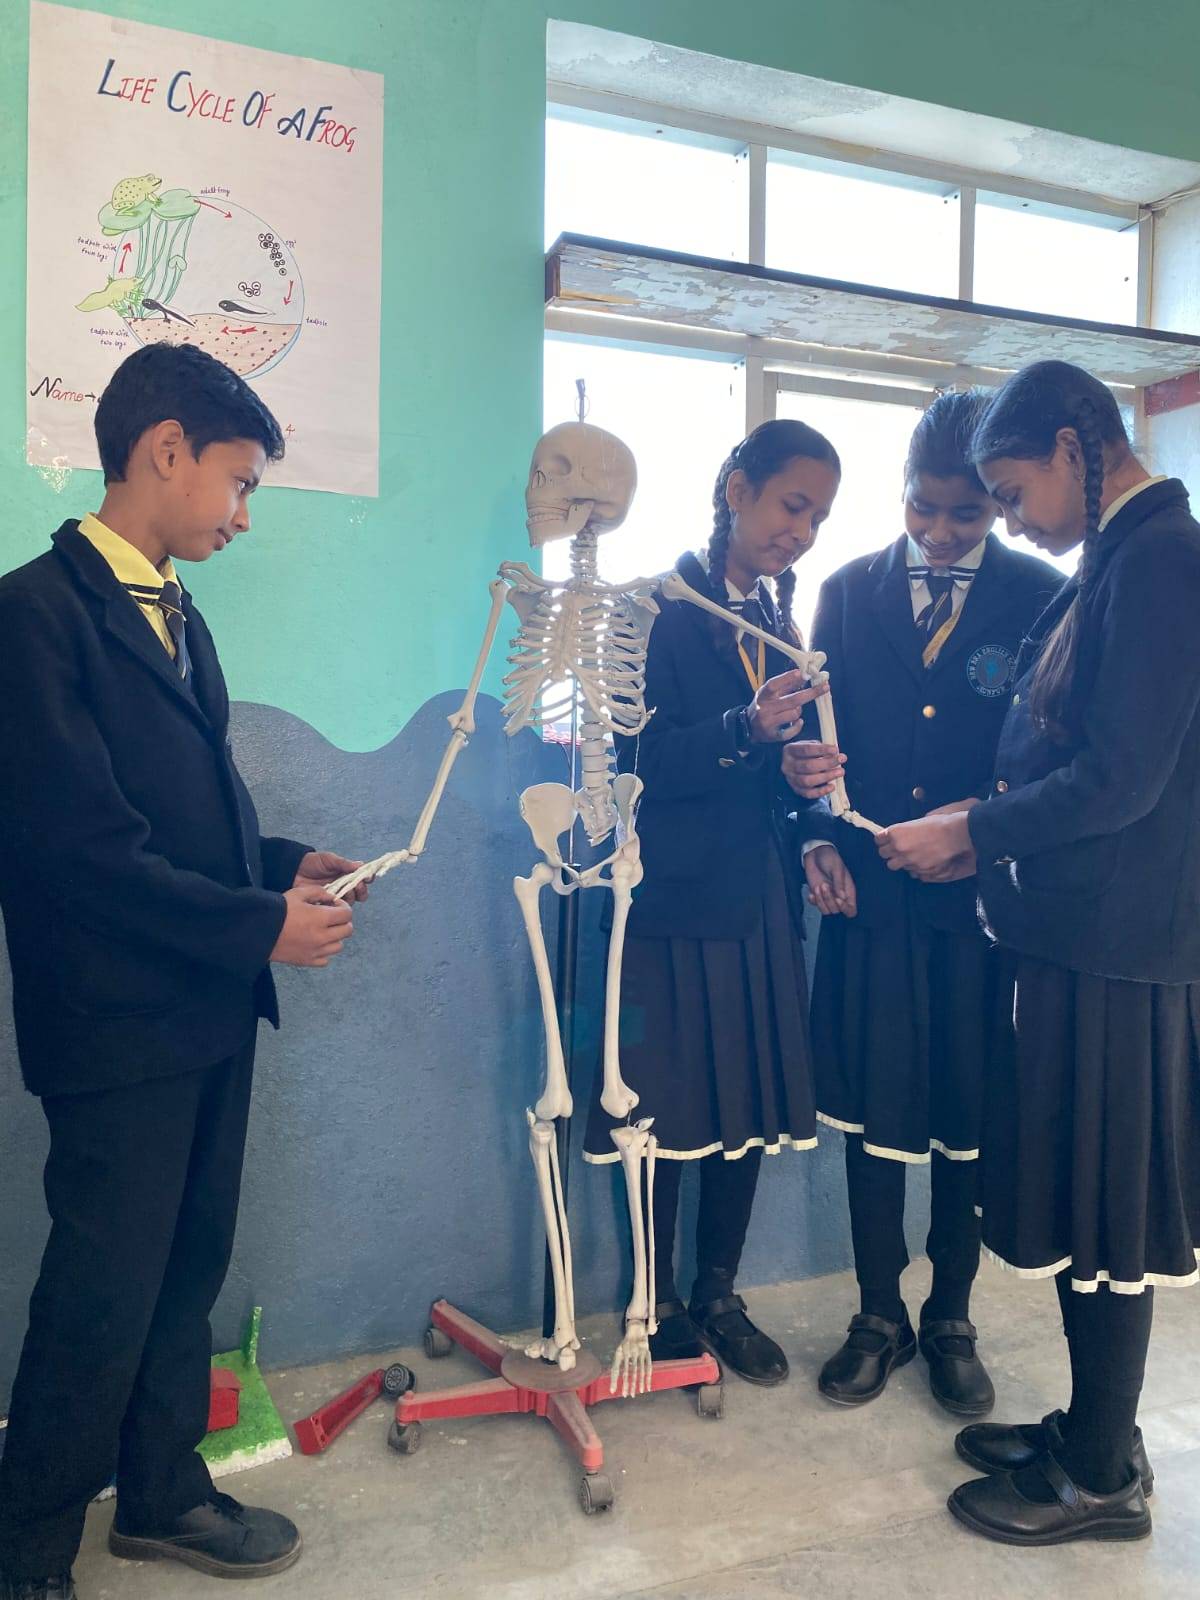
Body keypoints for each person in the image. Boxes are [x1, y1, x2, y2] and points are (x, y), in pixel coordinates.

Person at [0, 344, 369, 1600]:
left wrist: (278, 864)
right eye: (240, 480)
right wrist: (260, 925)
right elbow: (79, 855)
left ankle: (160, 1491)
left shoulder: (174, 608)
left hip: (206, 1007)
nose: (244, 513)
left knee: (183, 1270)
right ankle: (27, 1548)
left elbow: (177, 818)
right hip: (115, 1026)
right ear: (166, 451)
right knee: (99, 1291)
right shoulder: (33, 617)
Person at [879, 358, 1200, 1545]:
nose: (1009, 521)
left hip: (1123, 951)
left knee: (1108, 1215)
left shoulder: (1163, 560)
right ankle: (1086, 1428)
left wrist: (974, 828)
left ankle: (1102, 1475)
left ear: (1077, 447)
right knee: (1077, 1193)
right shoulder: (1119, 557)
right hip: (1079, 937)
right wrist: (985, 834)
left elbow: (1121, 779)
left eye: (1012, 494)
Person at [785, 393, 1061, 1417]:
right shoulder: (845, 592)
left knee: (964, 1119)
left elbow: (1051, 759)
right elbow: (811, 751)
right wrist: (813, 831)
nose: (941, 532)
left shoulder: (1042, 596)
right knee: (873, 1113)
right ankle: (876, 1314)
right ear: (901, 491)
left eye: (968, 513)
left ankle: (950, 1315)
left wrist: (982, 837)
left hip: (979, 915)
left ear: (997, 505)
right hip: (870, 904)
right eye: (922, 507)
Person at [583, 419, 840, 1384]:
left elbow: (771, 763)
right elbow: (629, 760)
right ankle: (654, 1304)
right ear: (737, 489)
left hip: (759, 897)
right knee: (661, 1109)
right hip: (669, 898)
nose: (800, 533)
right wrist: (744, 729)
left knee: (747, 1107)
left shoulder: (779, 621)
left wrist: (801, 779)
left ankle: (718, 1295)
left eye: (817, 519)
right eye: (791, 507)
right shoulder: (650, 610)